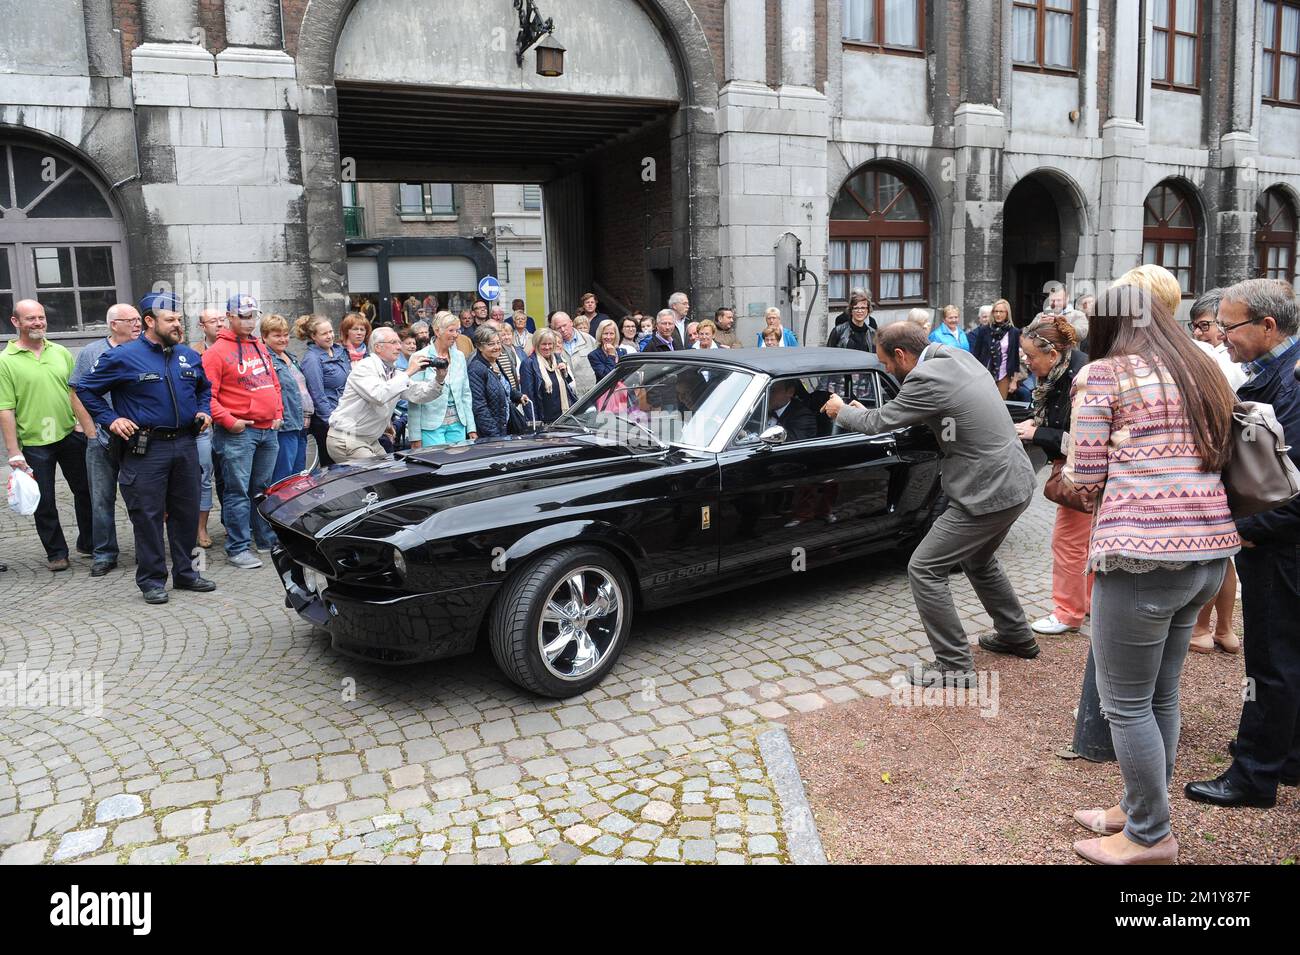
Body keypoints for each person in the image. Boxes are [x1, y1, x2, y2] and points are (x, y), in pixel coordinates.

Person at [1063, 284, 1239, 866]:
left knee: (1125, 704)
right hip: (1209, 555)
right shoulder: (1201, 369)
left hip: (1142, 558)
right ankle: (1135, 808)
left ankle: (1149, 835)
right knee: (1160, 692)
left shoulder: (1105, 377)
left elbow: (1085, 480)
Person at [823, 321, 1038, 686]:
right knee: (979, 559)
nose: (887, 370)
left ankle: (954, 666)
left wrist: (842, 410)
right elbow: (930, 411)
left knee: (924, 568)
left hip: (985, 491)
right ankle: (1017, 635)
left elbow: (881, 422)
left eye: (886, 364)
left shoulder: (924, 379)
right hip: (1016, 479)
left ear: (902, 355)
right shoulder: (957, 356)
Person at [1186, 278, 1300, 810]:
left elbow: (1293, 486)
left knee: (1270, 663)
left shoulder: (1294, 383)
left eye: (1228, 327)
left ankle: (1253, 775)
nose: (1220, 338)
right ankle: (1287, 753)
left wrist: (1244, 533)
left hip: (1280, 548)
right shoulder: (1276, 373)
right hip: (1275, 542)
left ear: (1267, 326)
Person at [75, 291, 217, 603]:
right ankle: (152, 581)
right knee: (148, 515)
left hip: (185, 444)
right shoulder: (123, 356)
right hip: (146, 449)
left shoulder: (188, 356)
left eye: (179, 319)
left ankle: (187, 573)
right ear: (150, 322)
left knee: (185, 512)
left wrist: (204, 409)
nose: (178, 324)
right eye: (171, 320)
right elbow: (85, 389)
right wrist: (110, 419)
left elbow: (204, 388)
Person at [0, 299, 93, 571]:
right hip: (34, 442)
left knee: (86, 491)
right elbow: (5, 409)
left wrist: (79, 423)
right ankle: (56, 553)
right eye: (30, 318)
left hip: (68, 435)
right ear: (15, 322)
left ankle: (88, 542)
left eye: (41, 317)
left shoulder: (61, 352)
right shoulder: (5, 361)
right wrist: (13, 450)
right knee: (45, 501)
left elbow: (74, 392)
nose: (38, 322)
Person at [1014, 315, 1091, 635]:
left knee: (1068, 544)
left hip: (1082, 472)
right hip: (1089, 472)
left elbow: (1081, 439)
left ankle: (1068, 612)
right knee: (1086, 544)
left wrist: (1036, 432)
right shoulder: (1067, 371)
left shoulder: (1080, 380)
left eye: (1030, 356)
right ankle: (1084, 603)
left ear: (1053, 355)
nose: (1026, 363)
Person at [202, 293, 283, 570]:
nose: (250, 322)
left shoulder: (259, 345)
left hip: (267, 430)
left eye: (253, 315)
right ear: (230, 317)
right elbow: (206, 396)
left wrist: (278, 413)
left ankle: (264, 539)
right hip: (239, 433)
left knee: (262, 490)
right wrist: (227, 420)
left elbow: (273, 383)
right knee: (237, 491)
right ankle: (237, 547)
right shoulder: (216, 353)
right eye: (244, 316)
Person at [1184, 288, 1244, 653]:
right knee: (1227, 553)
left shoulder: (1218, 361)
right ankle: (1224, 628)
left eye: (1205, 325)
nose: (1199, 334)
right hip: (1240, 462)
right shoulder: (1234, 358)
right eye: (1195, 326)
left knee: (1212, 550)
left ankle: (1202, 628)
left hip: (1221, 462)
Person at [69, 303, 142, 576]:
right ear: (114, 324)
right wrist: (89, 430)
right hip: (101, 438)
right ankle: (104, 554)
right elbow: (76, 392)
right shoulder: (91, 352)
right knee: (100, 499)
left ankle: (145, 550)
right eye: (131, 320)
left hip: (138, 439)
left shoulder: (146, 349)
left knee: (141, 497)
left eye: (139, 320)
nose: (138, 325)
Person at [327, 327, 444, 460]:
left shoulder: (394, 373)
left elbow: (418, 395)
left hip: (369, 439)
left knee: (389, 472)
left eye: (399, 343)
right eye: (393, 342)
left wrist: (439, 379)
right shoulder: (364, 367)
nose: (399, 347)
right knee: (379, 477)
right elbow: (379, 395)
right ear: (378, 347)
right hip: (347, 439)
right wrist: (409, 372)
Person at [408, 314, 476, 447]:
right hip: (430, 426)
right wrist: (414, 436)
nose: (456, 335)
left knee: (458, 465)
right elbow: (414, 398)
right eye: (451, 330)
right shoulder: (420, 357)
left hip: (458, 424)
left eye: (458, 330)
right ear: (437, 331)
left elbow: (466, 394)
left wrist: (471, 427)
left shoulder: (459, 356)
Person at [263, 314, 313, 483]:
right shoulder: (266, 359)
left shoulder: (290, 356)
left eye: (285, 335)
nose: (283, 339)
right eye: (277, 335)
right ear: (264, 336)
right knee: (283, 478)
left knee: (298, 476)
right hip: (285, 426)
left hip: (301, 424)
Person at [191, 307, 227, 544]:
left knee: (228, 477)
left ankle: (231, 523)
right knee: (203, 476)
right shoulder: (192, 353)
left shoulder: (235, 349)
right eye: (212, 321)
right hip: (204, 424)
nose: (219, 324)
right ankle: (200, 528)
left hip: (230, 422)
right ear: (202, 326)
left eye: (222, 319)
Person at [297, 314, 350, 469]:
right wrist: (331, 422)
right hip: (328, 421)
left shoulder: (338, 351)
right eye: (324, 333)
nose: (330, 336)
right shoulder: (312, 359)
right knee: (332, 467)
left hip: (344, 414)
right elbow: (317, 395)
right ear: (313, 336)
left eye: (331, 331)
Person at [467, 325, 525, 439]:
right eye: (491, 344)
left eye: (498, 342)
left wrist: (517, 396)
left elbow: (502, 388)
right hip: (492, 434)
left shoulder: (495, 362)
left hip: (504, 427)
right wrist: (495, 435)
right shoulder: (476, 369)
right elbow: (479, 407)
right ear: (479, 346)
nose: (497, 347)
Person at [521, 327, 577, 423]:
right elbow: (529, 397)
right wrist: (536, 423)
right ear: (537, 345)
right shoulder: (528, 364)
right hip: (544, 419)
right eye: (543, 344)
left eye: (550, 344)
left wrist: (565, 373)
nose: (547, 347)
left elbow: (570, 387)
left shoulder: (558, 358)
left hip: (563, 416)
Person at [970, 298, 1021, 398]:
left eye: (1001, 311)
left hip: (1004, 374)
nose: (998, 314)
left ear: (1007, 313)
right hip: (985, 373)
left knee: (1001, 405)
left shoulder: (1014, 332)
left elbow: (1015, 358)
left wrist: (1014, 381)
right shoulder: (984, 330)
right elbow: (976, 354)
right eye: (996, 311)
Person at [551, 311, 598, 396]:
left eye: (564, 325)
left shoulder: (588, 339)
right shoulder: (552, 345)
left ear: (571, 323)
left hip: (590, 394)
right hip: (566, 396)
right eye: (558, 328)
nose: (563, 330)